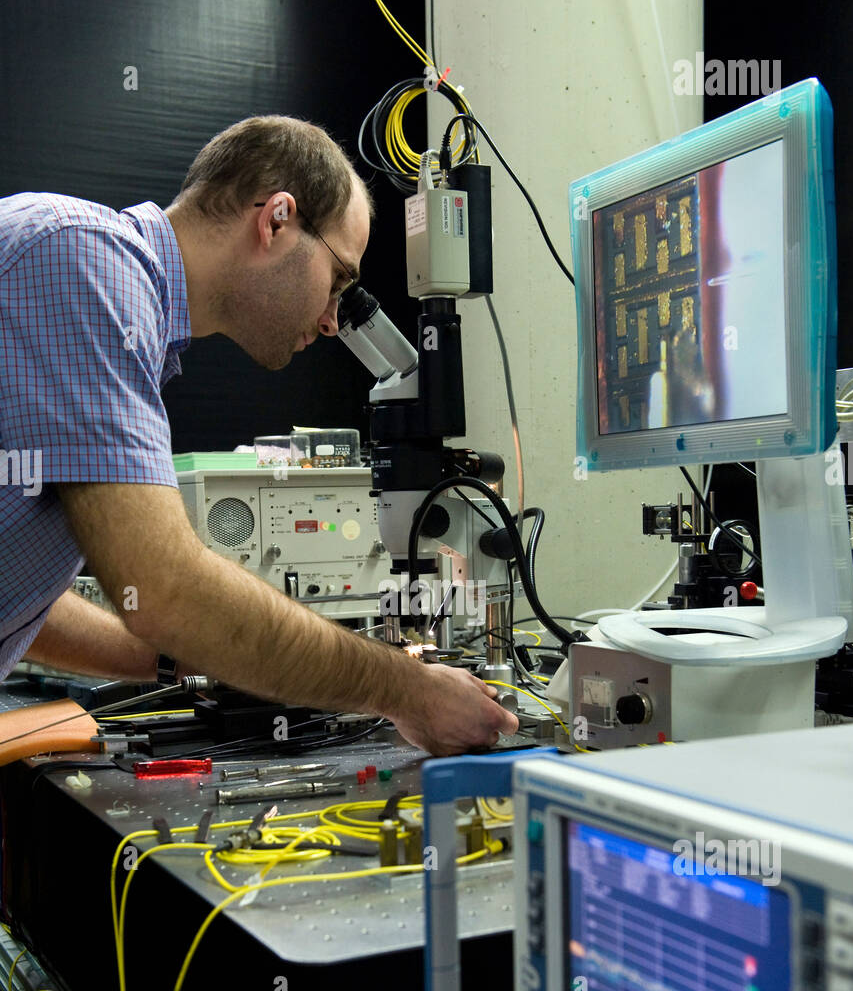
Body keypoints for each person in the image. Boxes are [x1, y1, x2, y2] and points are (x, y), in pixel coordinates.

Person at [0, 115, 518, 756]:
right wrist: (405, 688)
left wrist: (202, 655)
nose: (334, 321)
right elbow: (165, 591)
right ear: (276, 220)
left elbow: (28, 607)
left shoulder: (117, 299)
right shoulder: (86, 265)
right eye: (339, 280)